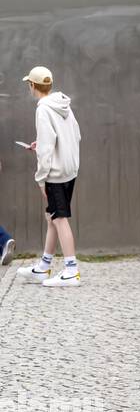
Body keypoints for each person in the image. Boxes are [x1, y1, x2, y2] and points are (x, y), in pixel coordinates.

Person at [18, 66, 82, 287]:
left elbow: (46, 147)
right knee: (52, 217)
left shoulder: (43, 109)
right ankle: (44, 267)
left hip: (55, 174)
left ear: (33, 86)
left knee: (59, 218)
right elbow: (75, 135)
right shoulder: (64, 104)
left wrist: (40, 178)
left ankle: (72, 270)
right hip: (69, 170)